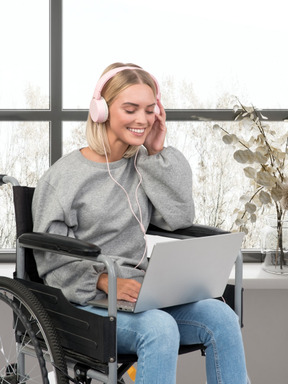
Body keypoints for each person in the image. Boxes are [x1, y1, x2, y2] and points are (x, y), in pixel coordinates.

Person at [32, 62, 249, 383]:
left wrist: (158, 153)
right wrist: (105, 281)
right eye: (130, 108)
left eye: (150, 110)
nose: (142, 119)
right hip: (85, 302)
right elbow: (51, 257)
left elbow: (178, 219)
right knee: (160, 329)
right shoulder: (64, 176)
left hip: (142, 293)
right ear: (101, 110)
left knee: (221, 317)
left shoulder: (144, 166)